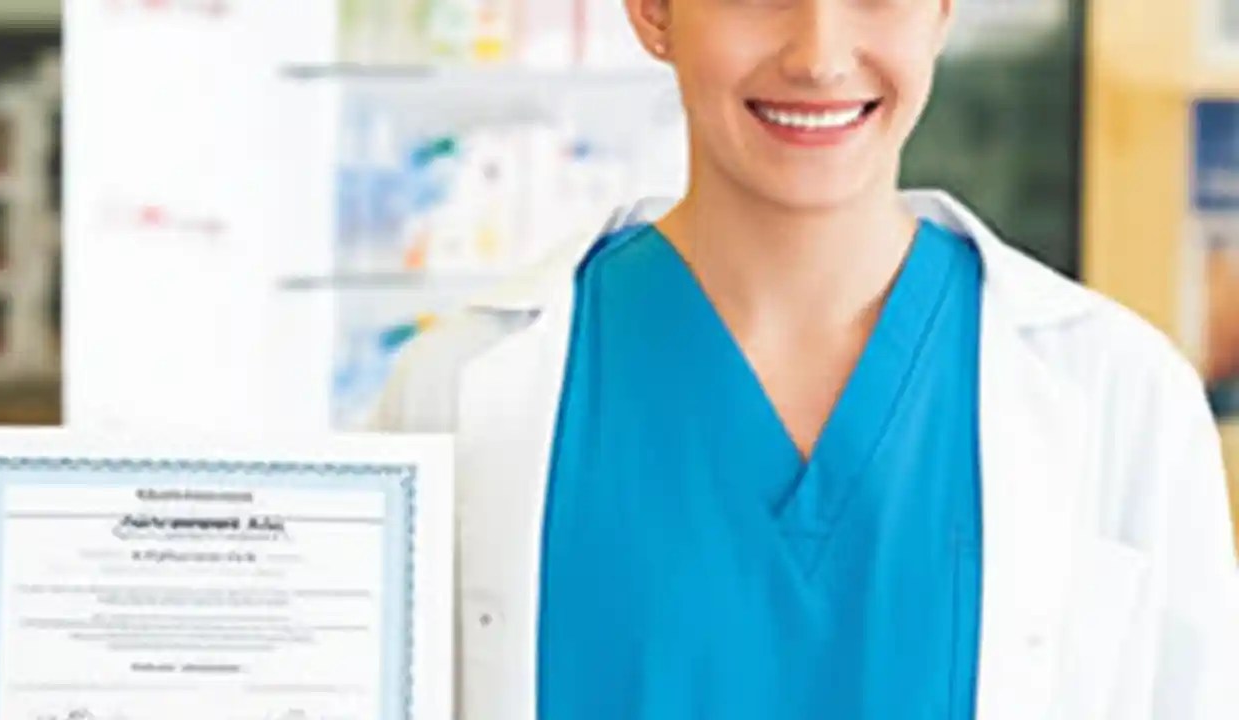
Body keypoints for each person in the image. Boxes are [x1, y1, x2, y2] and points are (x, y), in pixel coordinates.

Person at [373, 0, 1239, 717]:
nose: (819, 56)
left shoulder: (1123, 396)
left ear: (941, 12)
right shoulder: (453, 394)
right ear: (653, 13)